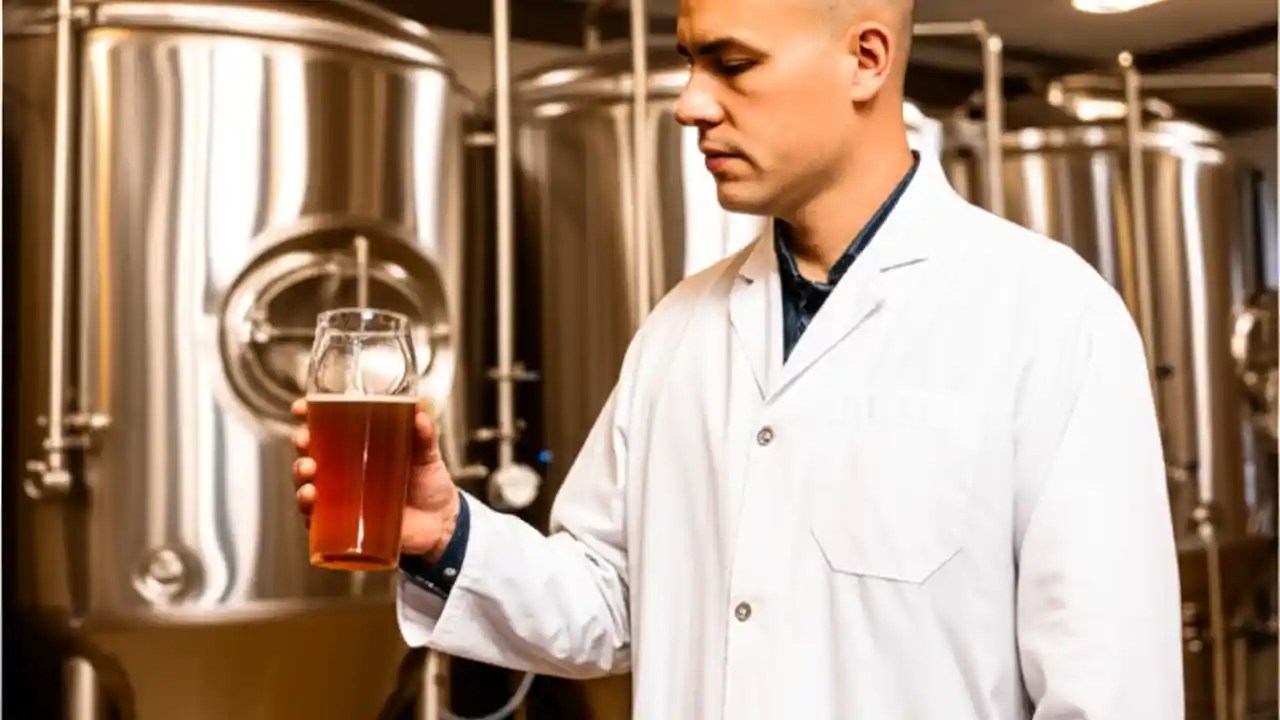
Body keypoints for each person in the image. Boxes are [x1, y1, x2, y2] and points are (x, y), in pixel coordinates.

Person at [292, 0, 1185, 716]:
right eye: (687, 61)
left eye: (733, 63)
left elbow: (1110, 692)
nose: (688, 102)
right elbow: (607, 603)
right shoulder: (680, 328)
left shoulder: (1046, 315)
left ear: (866, 58)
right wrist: (447, 536)